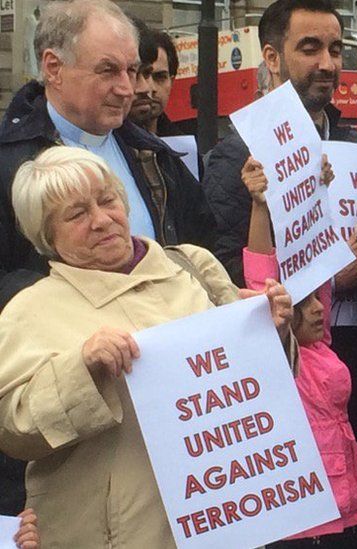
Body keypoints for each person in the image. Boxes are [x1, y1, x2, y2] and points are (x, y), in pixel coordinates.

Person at [0, 146, 294, 548]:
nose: (102, 220)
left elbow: (257, 393)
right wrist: (81, 369)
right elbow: (14, 433)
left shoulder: (193, 266)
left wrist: (272, 331)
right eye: (77, 214)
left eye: (107, 200)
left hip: (221, 524)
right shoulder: (30, 311)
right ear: (46, 235)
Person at [202, 3, 357, 546]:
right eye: (310, 48)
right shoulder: (235, 159)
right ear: (271, 57)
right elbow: (229, 274)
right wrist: (331, 279)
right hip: (291, 388)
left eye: (336, 48)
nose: (327, 62)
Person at [0, 0, 214, 516]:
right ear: (52, 67)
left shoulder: (156, 156)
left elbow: (207, 251)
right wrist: (73, 314)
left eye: (134, 70)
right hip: (71, 450)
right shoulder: (6, 164)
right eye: (109, 71)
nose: (130, 87)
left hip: (179, 442)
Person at [240, 156, 357, 548]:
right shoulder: (277, 354)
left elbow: (315, 254)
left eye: (320, 299)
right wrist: (261, 205)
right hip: (302, 521)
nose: (320, 308)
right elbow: (262, 274)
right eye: (306, 303)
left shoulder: (321, 345)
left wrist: (316, 194)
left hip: (344, 505)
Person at [129, 21, 181, 137]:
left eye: (160, 77)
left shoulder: (187, 147)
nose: (149, 87)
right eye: (136, 74)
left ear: (172, 81)